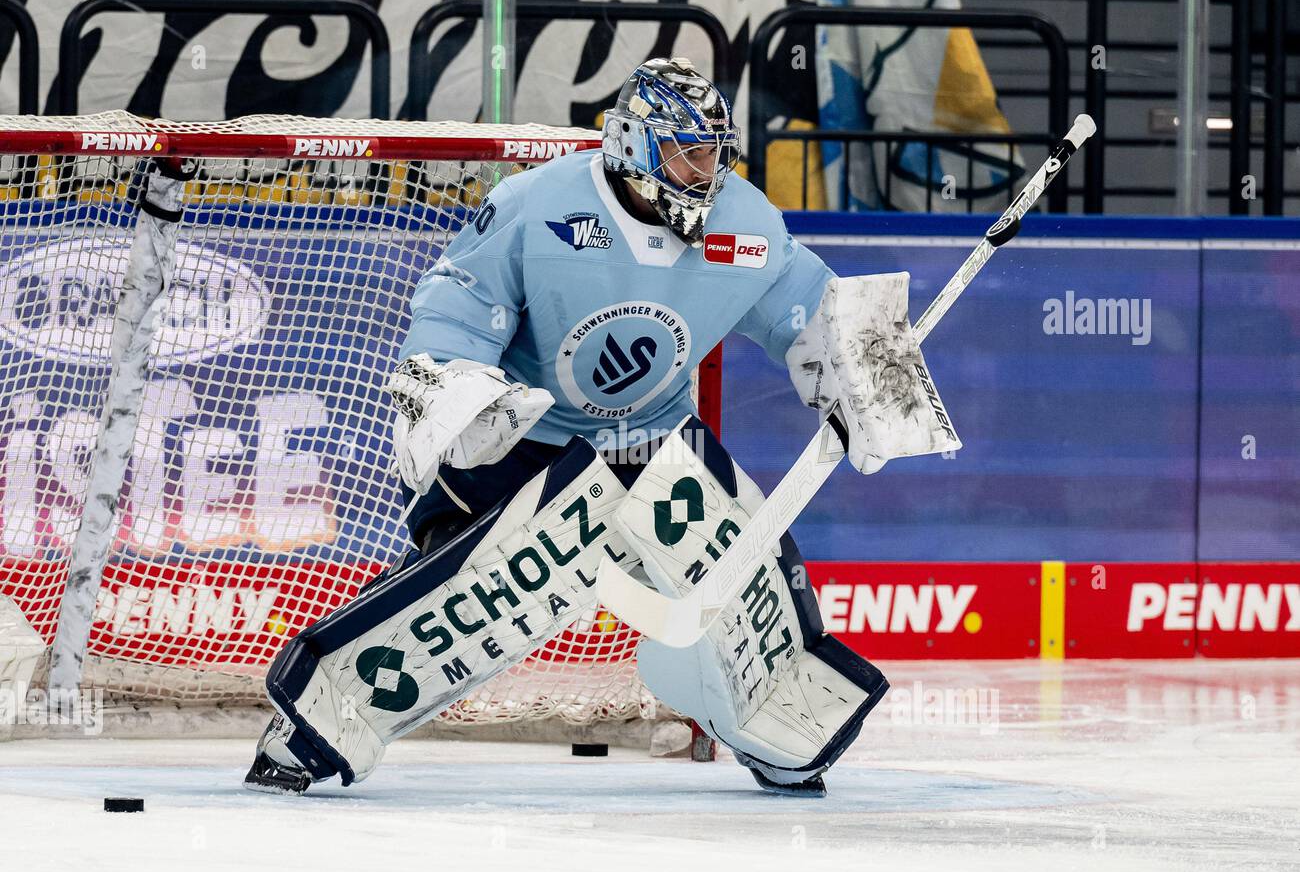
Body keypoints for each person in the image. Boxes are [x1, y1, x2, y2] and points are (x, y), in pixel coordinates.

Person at [245, 58, 955, 798]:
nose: (707, 169)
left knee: (740, 570)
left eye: (715, 150)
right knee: (467, 604)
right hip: (521, 446)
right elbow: (455, 305)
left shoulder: (744, 224)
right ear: (634, 145)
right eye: (689, 150)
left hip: (652, 443)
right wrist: (460, 391)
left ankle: (783, 728)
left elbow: (810, 308)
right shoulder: (536, 203)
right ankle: (317, 725)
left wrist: (871, 376)